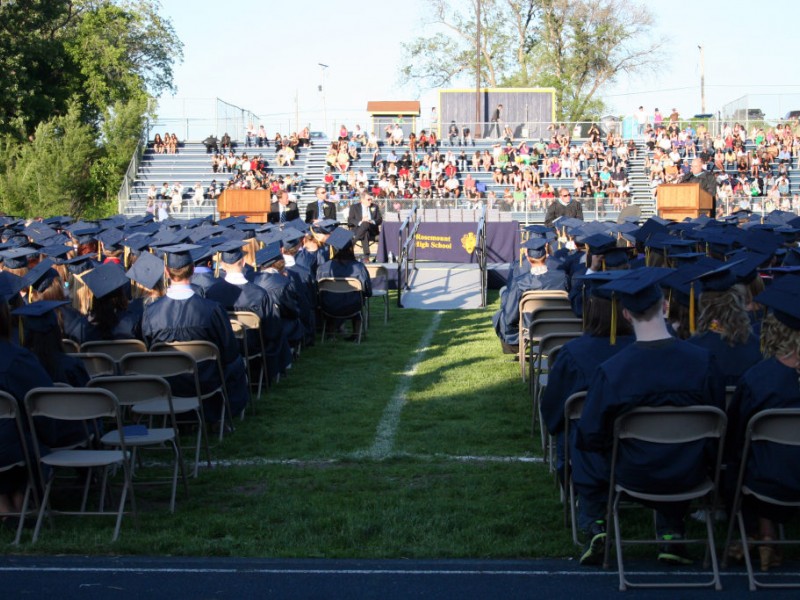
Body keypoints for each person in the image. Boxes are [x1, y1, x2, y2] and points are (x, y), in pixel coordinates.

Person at [574, 267, 725, 566]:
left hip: (632, 474)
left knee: (584, 444)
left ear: (626, 315)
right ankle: (672, 534)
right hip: (691, 473)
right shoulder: (702, 361)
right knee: (678, 444)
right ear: (665, 306)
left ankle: (596, 523)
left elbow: (591, 435)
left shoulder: (614, 371)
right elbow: (718, 421)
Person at [725, 276, 800, 572]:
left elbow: (735, 439)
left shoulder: (758, 378)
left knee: (746, 457)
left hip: (769, 483)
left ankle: (764, 536)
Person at [141, 244, 249, 423]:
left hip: (166, 383)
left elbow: (146, 350)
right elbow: (228, 352)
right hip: (205, 381)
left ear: (167, 272)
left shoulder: (151, 313)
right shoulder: (211, 309)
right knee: (235, 363)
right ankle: (224, 413)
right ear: (192, 271)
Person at [492, 237, 568, 353]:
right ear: (546, 254)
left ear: (527, 257)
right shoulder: (562, 277)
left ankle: (515, 349)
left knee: (502, 316)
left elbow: (510, 316)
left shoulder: (520, 283)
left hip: (531, 326)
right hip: (559, 324)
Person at [347, 191, 382, 261]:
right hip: (359, 230)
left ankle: (352, 243)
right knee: (365, 231)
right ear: (362, 200)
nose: (370, 201)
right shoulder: (354, 207)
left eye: (371, 199)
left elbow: (380, 220)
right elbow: (350, 220)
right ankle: (366, 257)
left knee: (366, 224)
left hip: (372, 229)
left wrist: (371, 221)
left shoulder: (375, 206)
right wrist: (360, 222)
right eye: (368, 199)